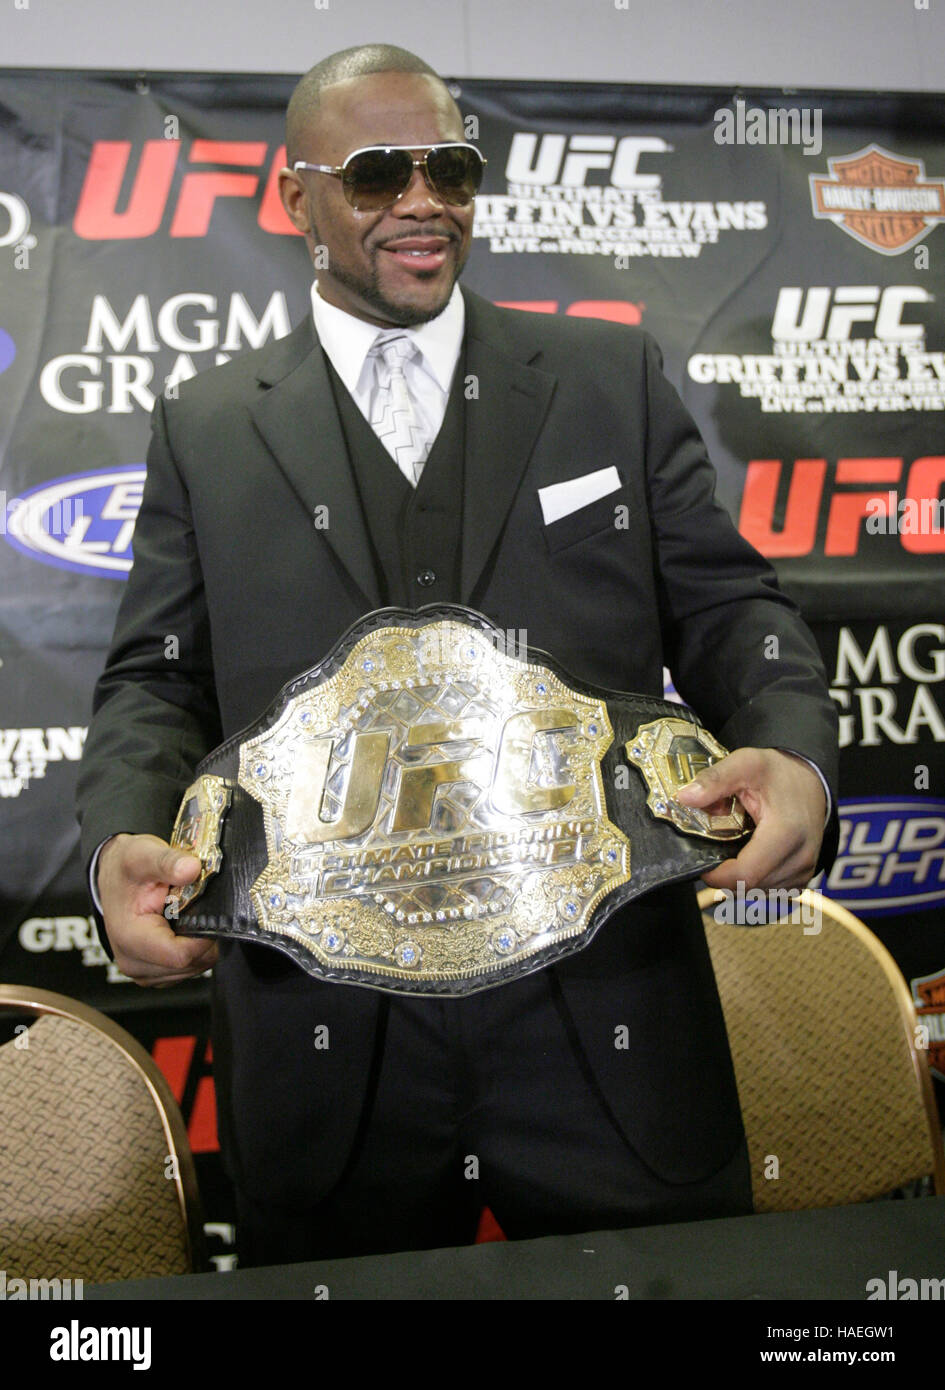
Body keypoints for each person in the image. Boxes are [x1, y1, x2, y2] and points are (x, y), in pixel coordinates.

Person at [77, 43, 838, 1266]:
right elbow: (158, 676)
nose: (424, 199)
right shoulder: (208, 427)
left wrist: (794, 749)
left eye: (451, 168)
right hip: (326, 1041)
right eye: (379, 173)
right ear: (296, 199)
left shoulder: (608, 378)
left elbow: (730, 606)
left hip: (609, 1018)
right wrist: (121, 833)